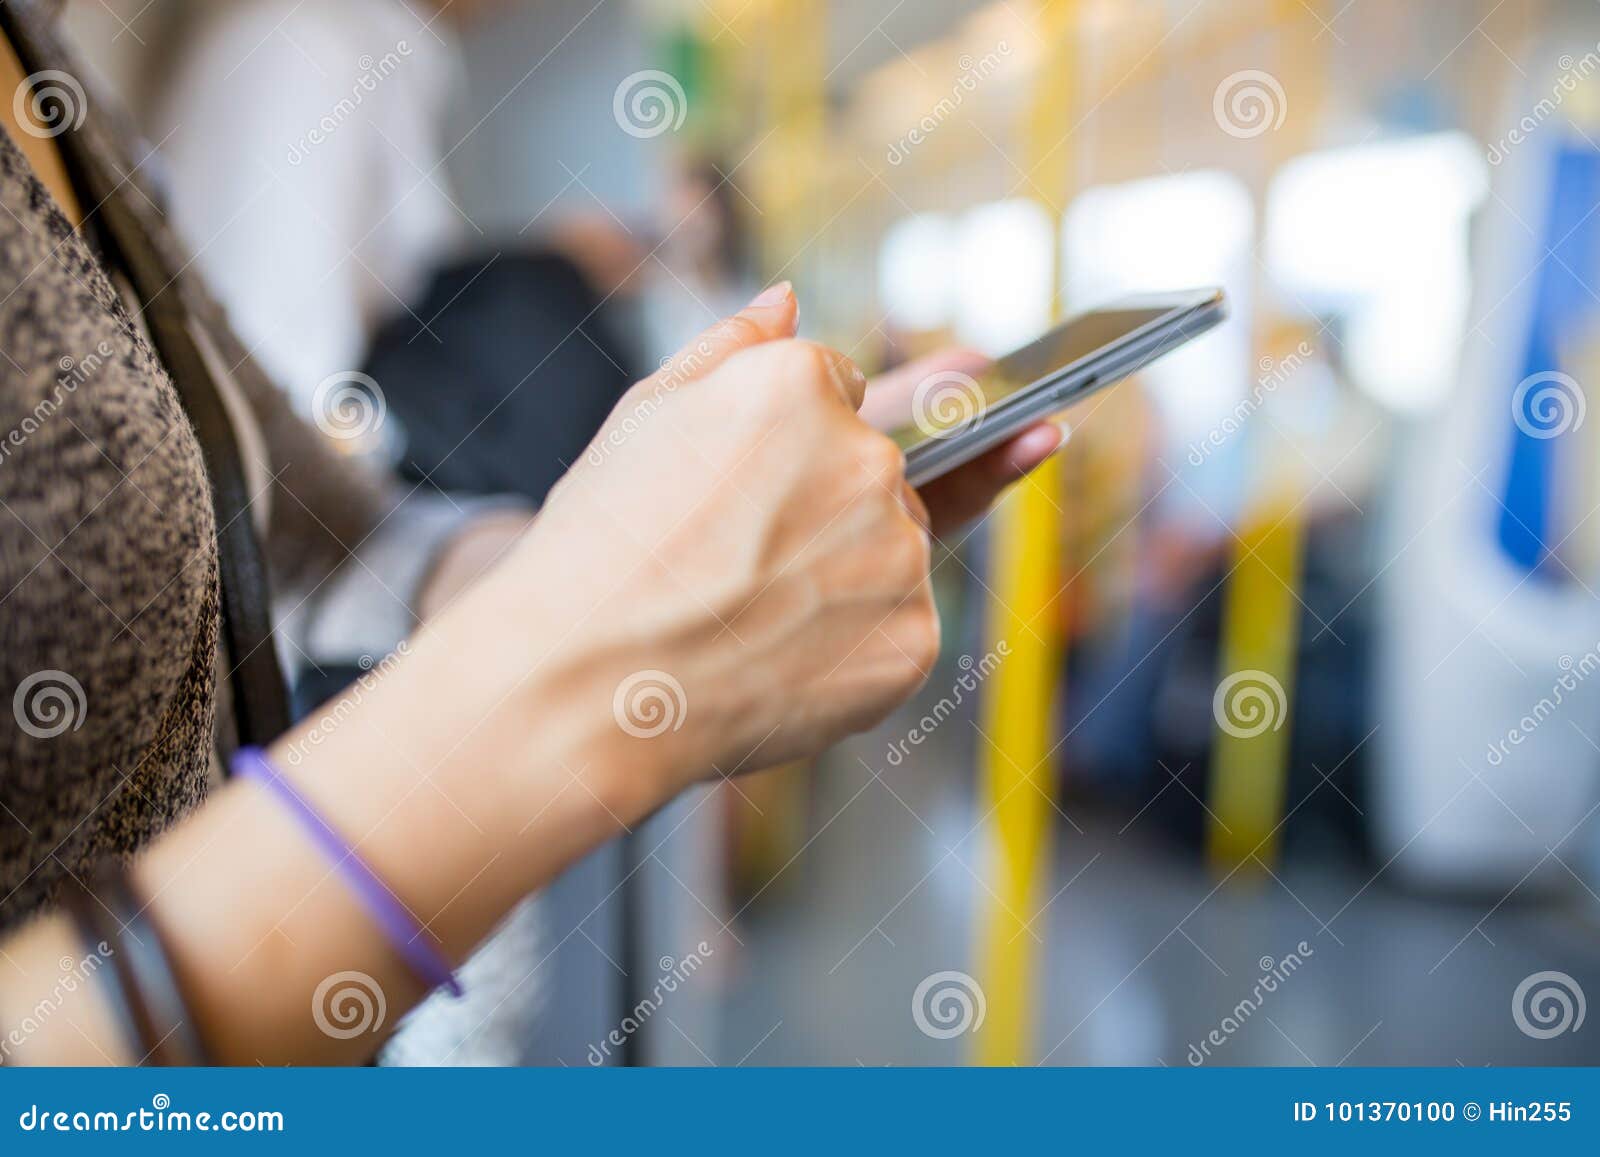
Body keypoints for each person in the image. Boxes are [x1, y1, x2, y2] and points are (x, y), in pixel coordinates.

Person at [0, 0, 1063, 1065]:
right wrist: (570, 691)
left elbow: (304, 519)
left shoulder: (59, 89)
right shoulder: (300, 49)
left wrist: (662, 542)